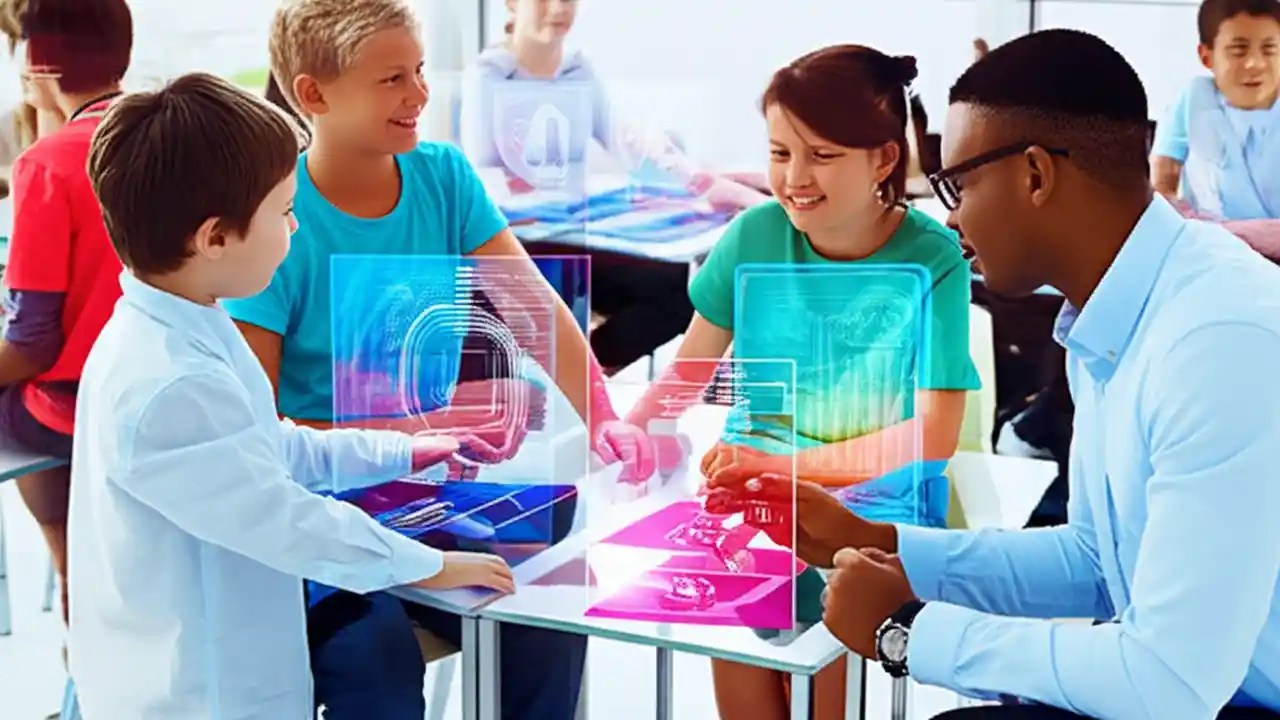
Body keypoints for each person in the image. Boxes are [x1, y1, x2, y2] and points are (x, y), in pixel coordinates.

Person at [712, 29, 1280, 719]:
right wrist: (880, 542)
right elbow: (1098, 564)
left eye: (959, 184)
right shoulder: (1119, 314)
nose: (952, 219)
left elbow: (1168, 684)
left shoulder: (1216, 341)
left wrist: (908, 630)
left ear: (1034, 175)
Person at [224, 1, 653, 717]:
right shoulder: (275, 221)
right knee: (375, 659)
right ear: (313, 94)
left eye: (419, 70)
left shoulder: (443, 177)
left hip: (431, 494)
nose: (420, 93)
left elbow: (533, 308)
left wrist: (603, 416)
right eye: (392, 78)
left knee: (551, 596)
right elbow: (259, 433)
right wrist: (418, 431)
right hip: (322, 511)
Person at [70, 71, 514, 720]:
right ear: (214, 238)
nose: (296, 225)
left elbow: (268, 446)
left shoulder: (187, 321)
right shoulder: (168, 382)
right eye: (283, 212)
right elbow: (286, 519)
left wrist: (402, 451)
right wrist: (427, 566)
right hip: (199, 695)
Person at [625, 44, 978, 720]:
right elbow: (687, 373)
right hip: (750, 496)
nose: (794, 178)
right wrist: (635, 428)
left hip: (871, 510)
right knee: (732, 618)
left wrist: (784, 469)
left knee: (826, 646)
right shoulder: (753, 236)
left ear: (884, 157)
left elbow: (932, 437)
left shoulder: (933, 259)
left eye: (822, 155)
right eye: (780, 153)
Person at [458, 0, 765, 374]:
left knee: (681, 290)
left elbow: (625, 142)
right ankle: (571, 375)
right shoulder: (488, 77)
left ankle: (585, 373)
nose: (557, 9)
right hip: (522, 241)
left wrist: (701, 181)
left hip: (578, 233)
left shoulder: (579, 71)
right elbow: (483, 175)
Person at [0, 0, 130, 624]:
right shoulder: (172, 131)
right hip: (166, 392)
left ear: (41, 64)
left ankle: (70, 569)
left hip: (83, 412)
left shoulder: (49, 164)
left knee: (18, 395)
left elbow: (32, 343)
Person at [1151, 0, 1280, 219]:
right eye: (1238, 51)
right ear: (1206, 56)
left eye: (1269, 50)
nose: (1254, 63)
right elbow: (1163, 181)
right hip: (1210, 235)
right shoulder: (1194, 99)